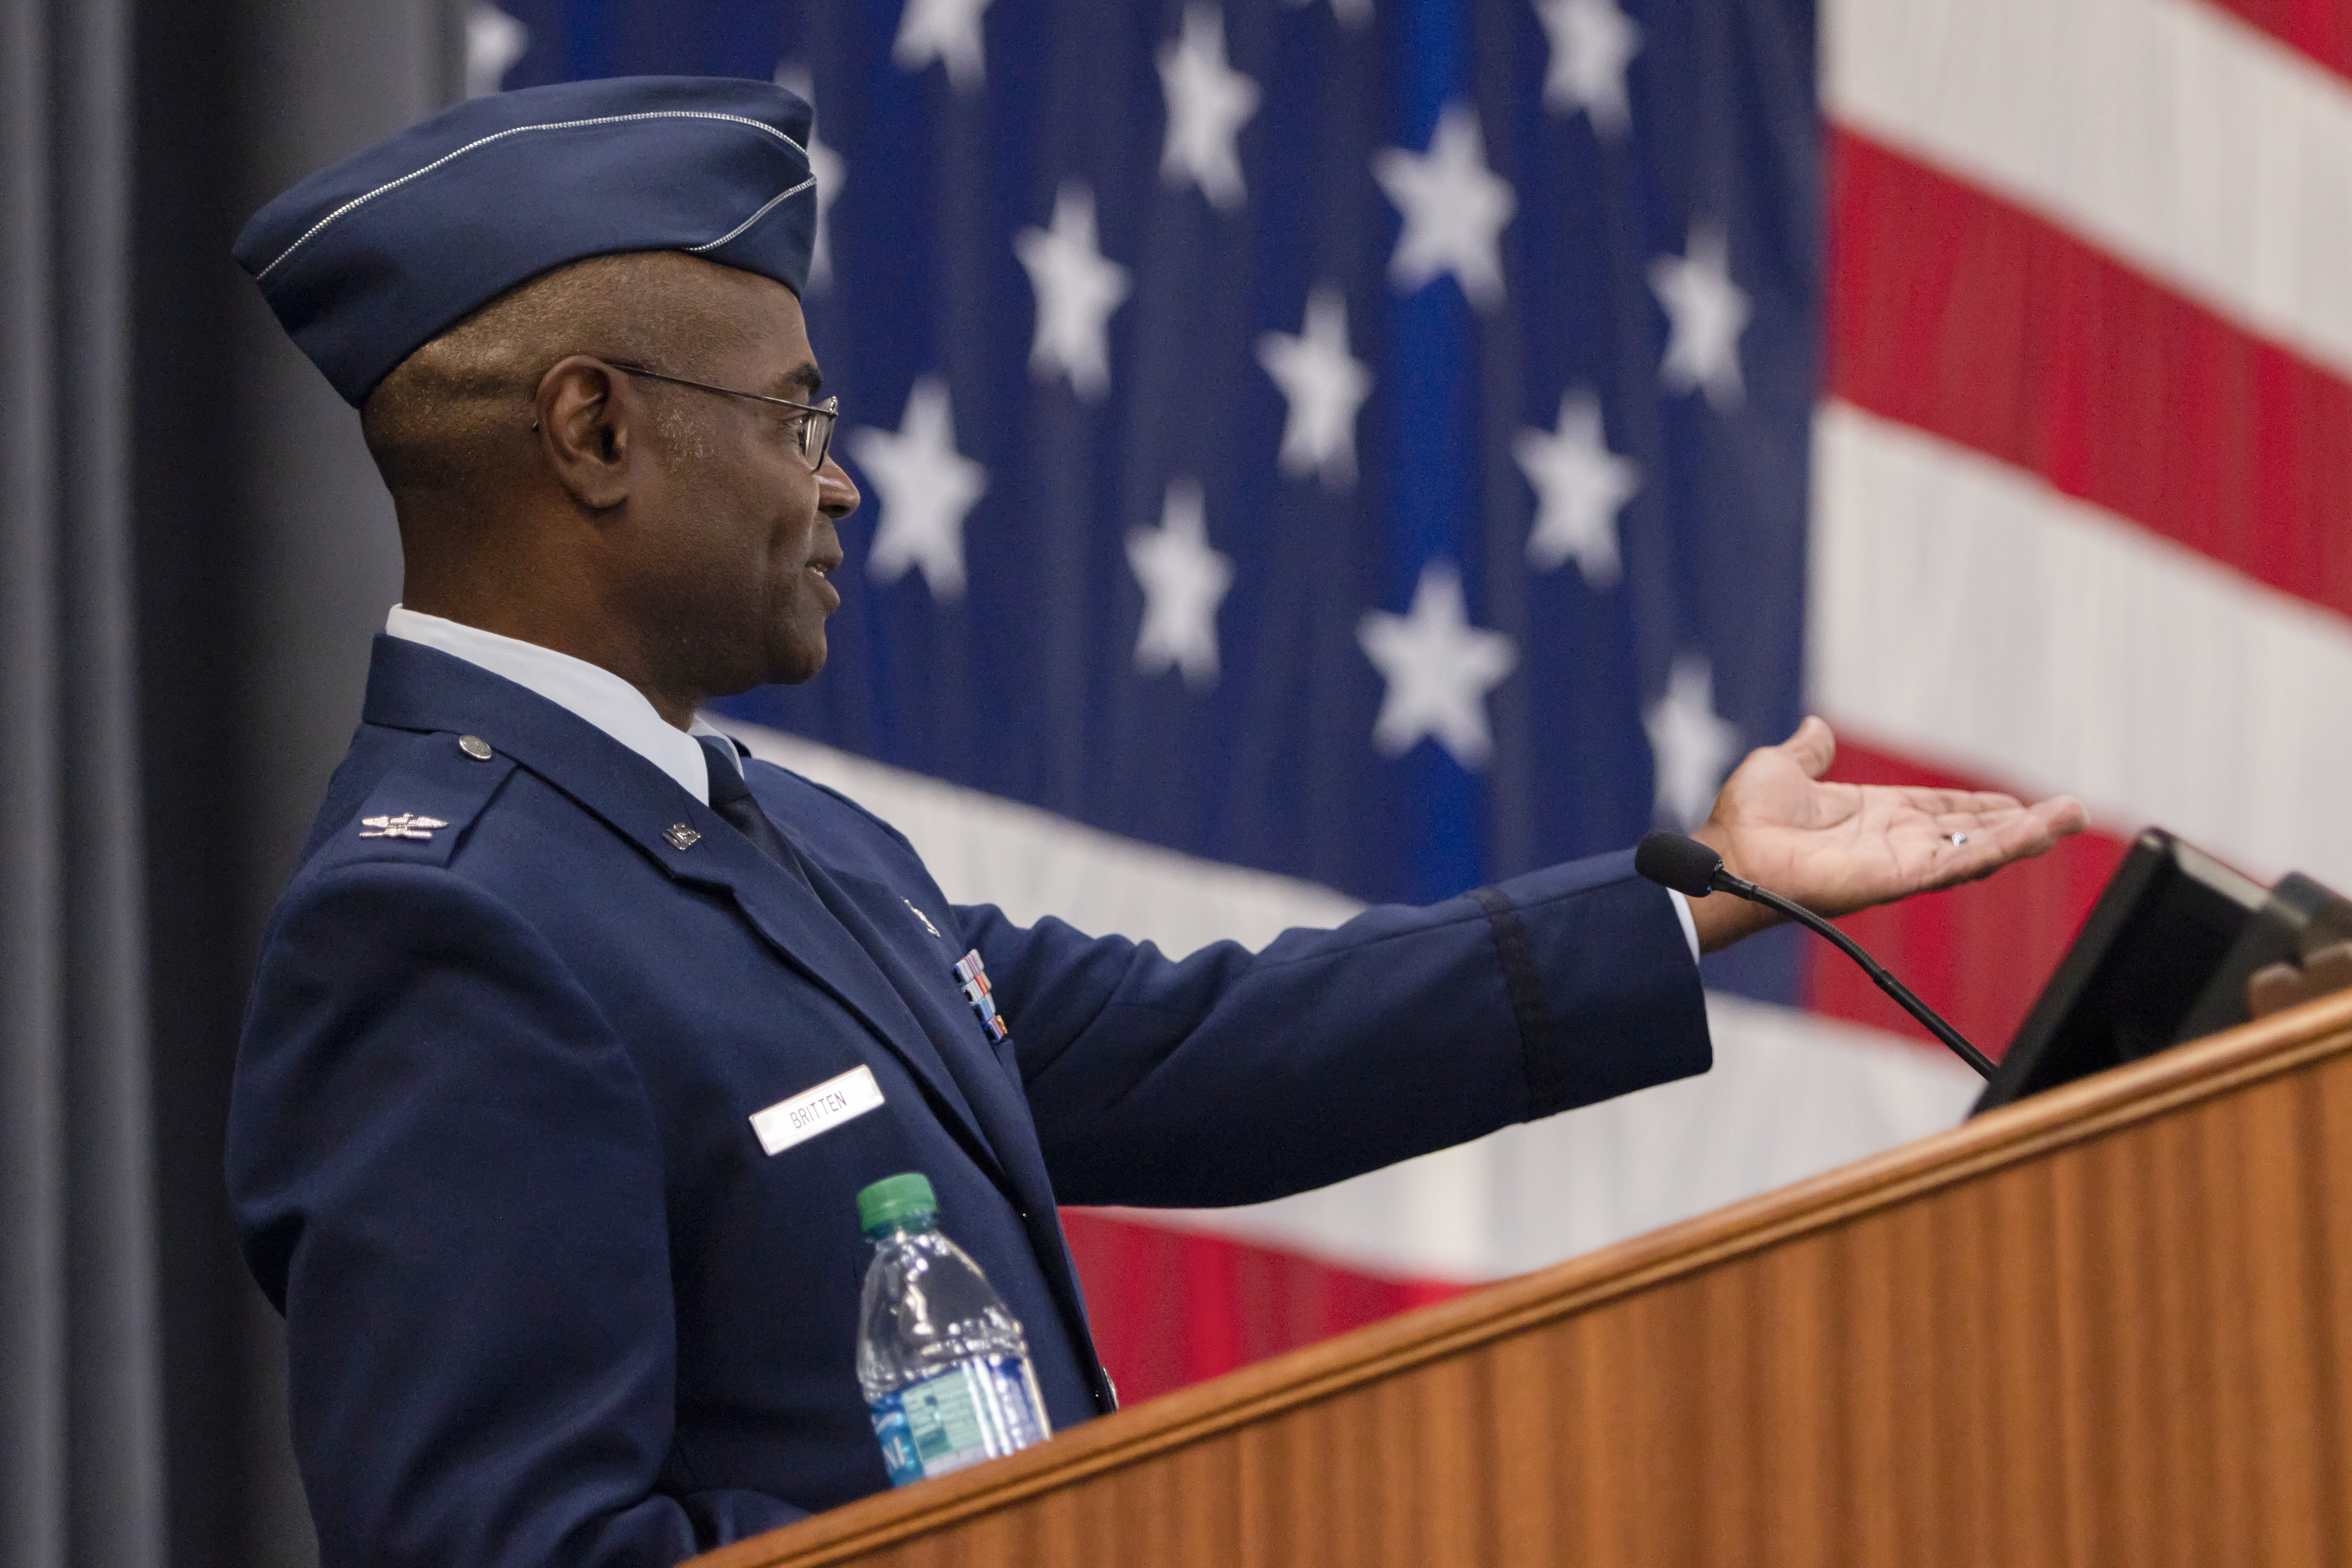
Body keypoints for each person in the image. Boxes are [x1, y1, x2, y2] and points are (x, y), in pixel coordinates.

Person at [226, 76, 2084, 1568]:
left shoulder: (786, 839)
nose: (841, 478)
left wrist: (1704, 898)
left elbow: (1203, 1048)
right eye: (796, 415)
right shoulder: (444, 928)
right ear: (594, 433)